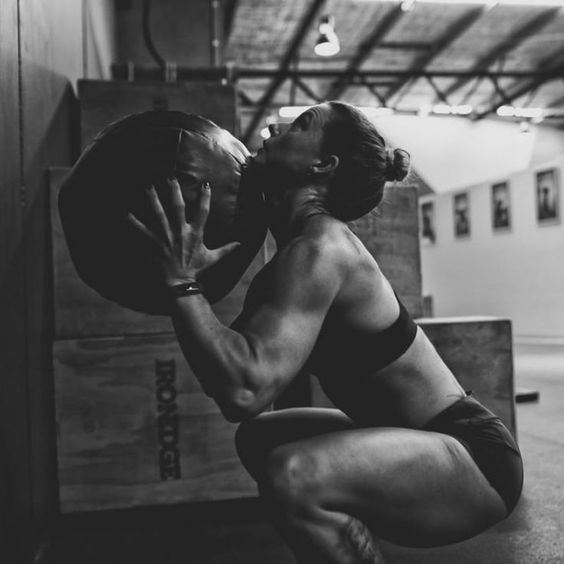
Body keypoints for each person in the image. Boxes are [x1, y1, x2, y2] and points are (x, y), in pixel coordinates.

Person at [128, 101, 523, 564]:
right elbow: (230, 377)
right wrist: (189, 288)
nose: (273, 127)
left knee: (292, 474)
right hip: (408, 437)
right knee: (262, 438)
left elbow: (242, 389)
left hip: (475, 458)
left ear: (322, 165)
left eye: (300, 124)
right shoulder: (293, 255)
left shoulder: (322, 249)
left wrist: (183, 284)